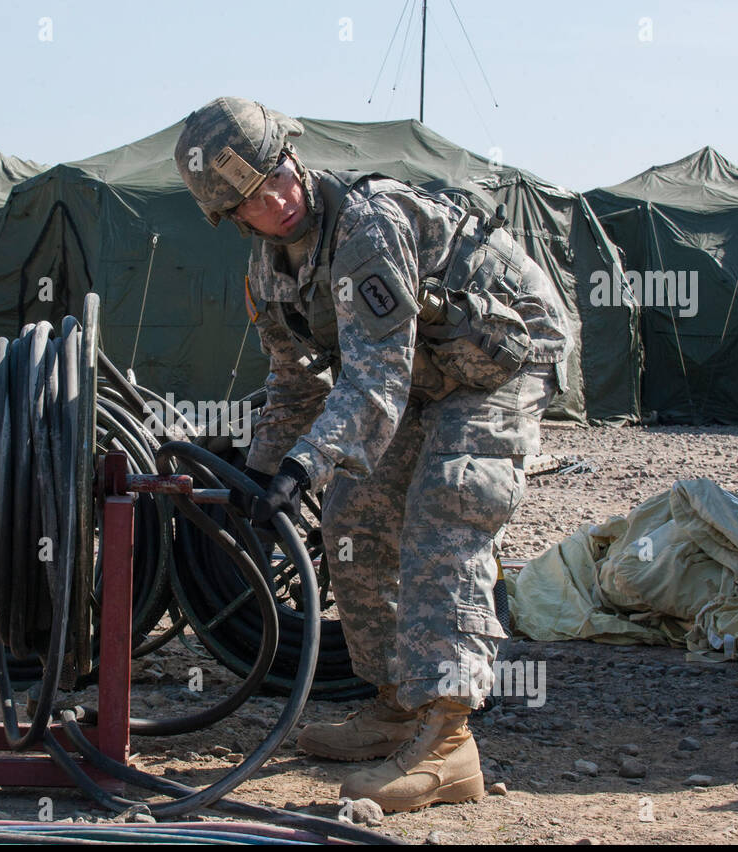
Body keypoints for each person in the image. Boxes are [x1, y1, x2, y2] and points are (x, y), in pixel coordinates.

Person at [173, 97, 572, 812]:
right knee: (355, 512)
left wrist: (305, 466)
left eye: (278, 175)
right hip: (428, 373)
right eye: (254, 199)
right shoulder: (270, 275)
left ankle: (450, 742)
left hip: (503, 360)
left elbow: (376, 381)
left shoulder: (366, 226)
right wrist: (261, 475)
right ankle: (396, 699)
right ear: (233, 219)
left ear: (293, 155)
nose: (278, 199)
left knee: (446, 502)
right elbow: (295, 386)